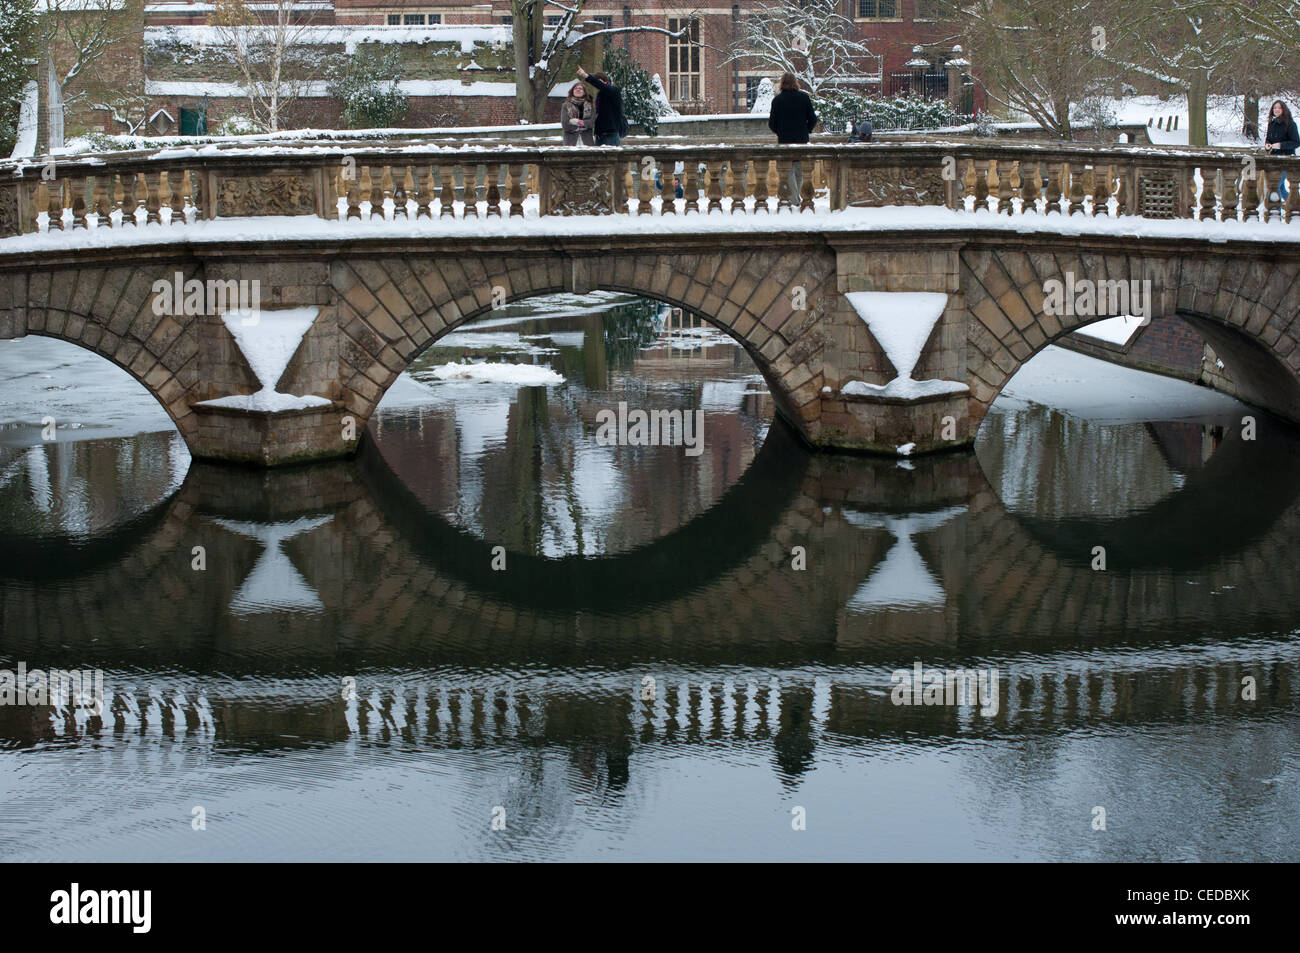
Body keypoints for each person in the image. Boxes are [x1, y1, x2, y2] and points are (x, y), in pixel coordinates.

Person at [768, 72, 819, 205]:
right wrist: (806, 130)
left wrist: (780, 132)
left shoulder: (778, 100)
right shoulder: (804, 97)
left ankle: (794, 199)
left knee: (787, 170)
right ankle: (796, 198)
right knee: (799, 169)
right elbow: (813, 119)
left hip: (785, 140)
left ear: (782, 83)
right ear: (796, 82)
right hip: (802, 139)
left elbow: (771, 123)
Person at [577, 66, 628, 146]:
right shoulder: (601, 95)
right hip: (600, 134)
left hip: (611, 134)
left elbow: (601, 86)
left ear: (604, 81)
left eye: (598, 82)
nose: (596, 84)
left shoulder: (613, 91)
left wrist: (585, 75)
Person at [1264, 100, 1299, 202]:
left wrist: (1280, 145)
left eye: (1279, 108)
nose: (1276, 110)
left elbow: (1296, 142)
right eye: (1275, 108)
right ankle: (1296, 207)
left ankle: (1275, 212)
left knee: (1276, 185)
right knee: (1281, 188)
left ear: (1284, 110)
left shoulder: (1290, 124)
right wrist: (1267, 145)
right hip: (1274, 159)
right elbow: (1268, 138)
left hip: (1286, 159)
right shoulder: (1271, 123)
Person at [560, 82, 594, 146]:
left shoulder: (589, 105)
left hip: (587, 140)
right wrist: (582, 125)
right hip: (570, 140)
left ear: (584, 92)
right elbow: (565, 124)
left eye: (580, 89)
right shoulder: (566, 105)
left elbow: (592, 122)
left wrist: (578, 122)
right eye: (575, 88)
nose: (578, 90)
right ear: (572, 91)